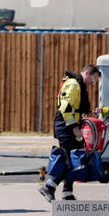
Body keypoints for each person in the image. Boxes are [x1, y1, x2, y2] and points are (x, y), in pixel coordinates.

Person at [40, 64, 101, 203]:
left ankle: (67, 192)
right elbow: (65, 107)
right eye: (93, 79)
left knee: (75, 158)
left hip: (70, 125)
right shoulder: (74, 84)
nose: (93, 83)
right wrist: (74, 127)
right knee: (68, 158)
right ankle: (49, 186)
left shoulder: (79, 85)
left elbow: (75, 107)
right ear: (86, 73)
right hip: (65, 126)